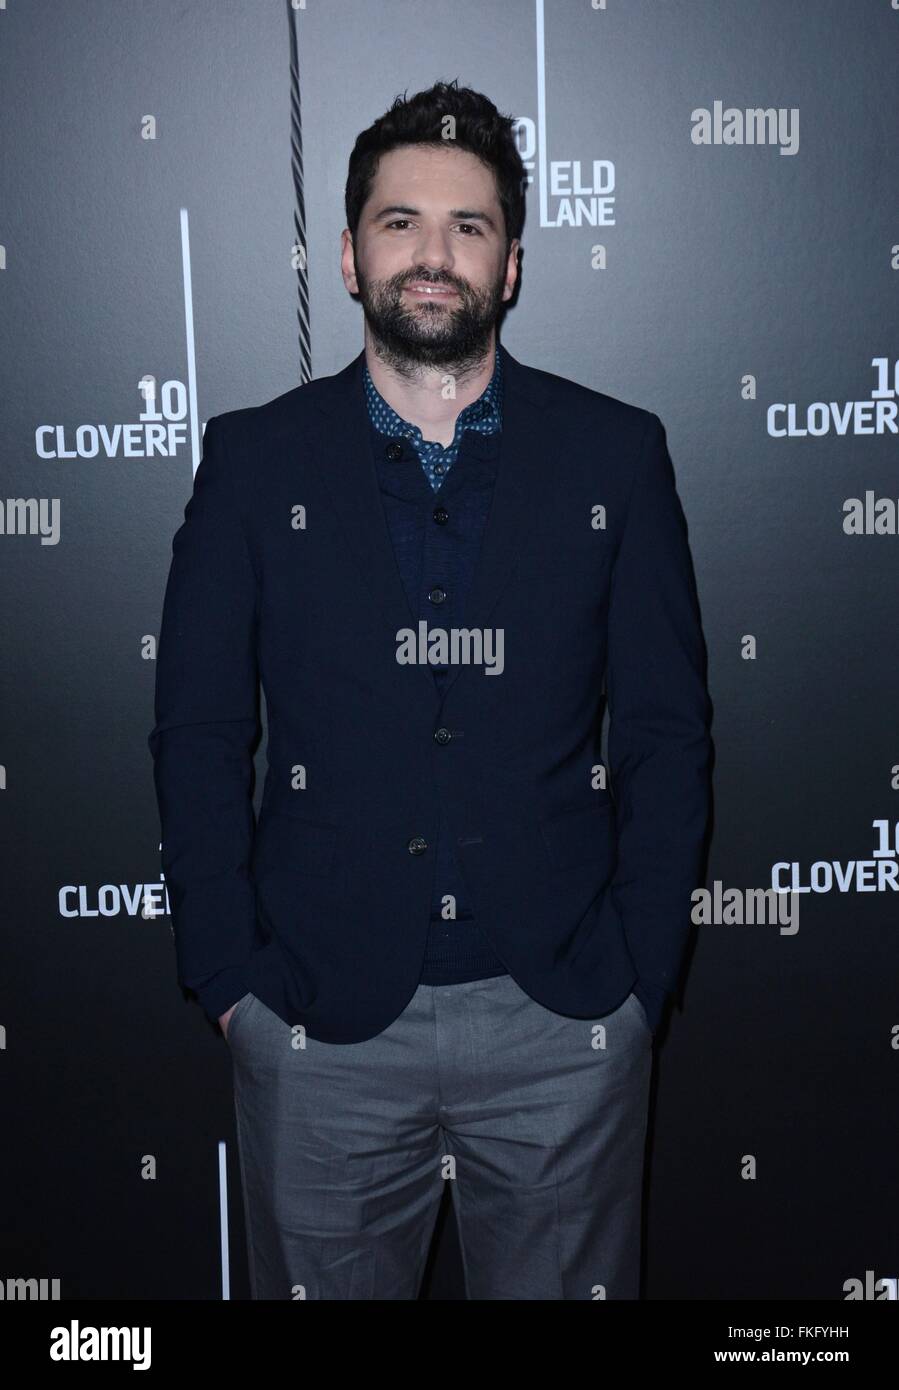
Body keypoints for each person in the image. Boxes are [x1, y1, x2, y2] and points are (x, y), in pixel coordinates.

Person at [148, 79, 713, 1300]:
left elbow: (665, 733)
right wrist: (229, 982)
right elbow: (196, 732)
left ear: (509, 262)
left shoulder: (615, 453)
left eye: (467, 225)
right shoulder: (254, 462)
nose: (433, 254)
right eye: (400, 222)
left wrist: (633, 981)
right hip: (313, 1021)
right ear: (348, 257)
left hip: (563, 1017)